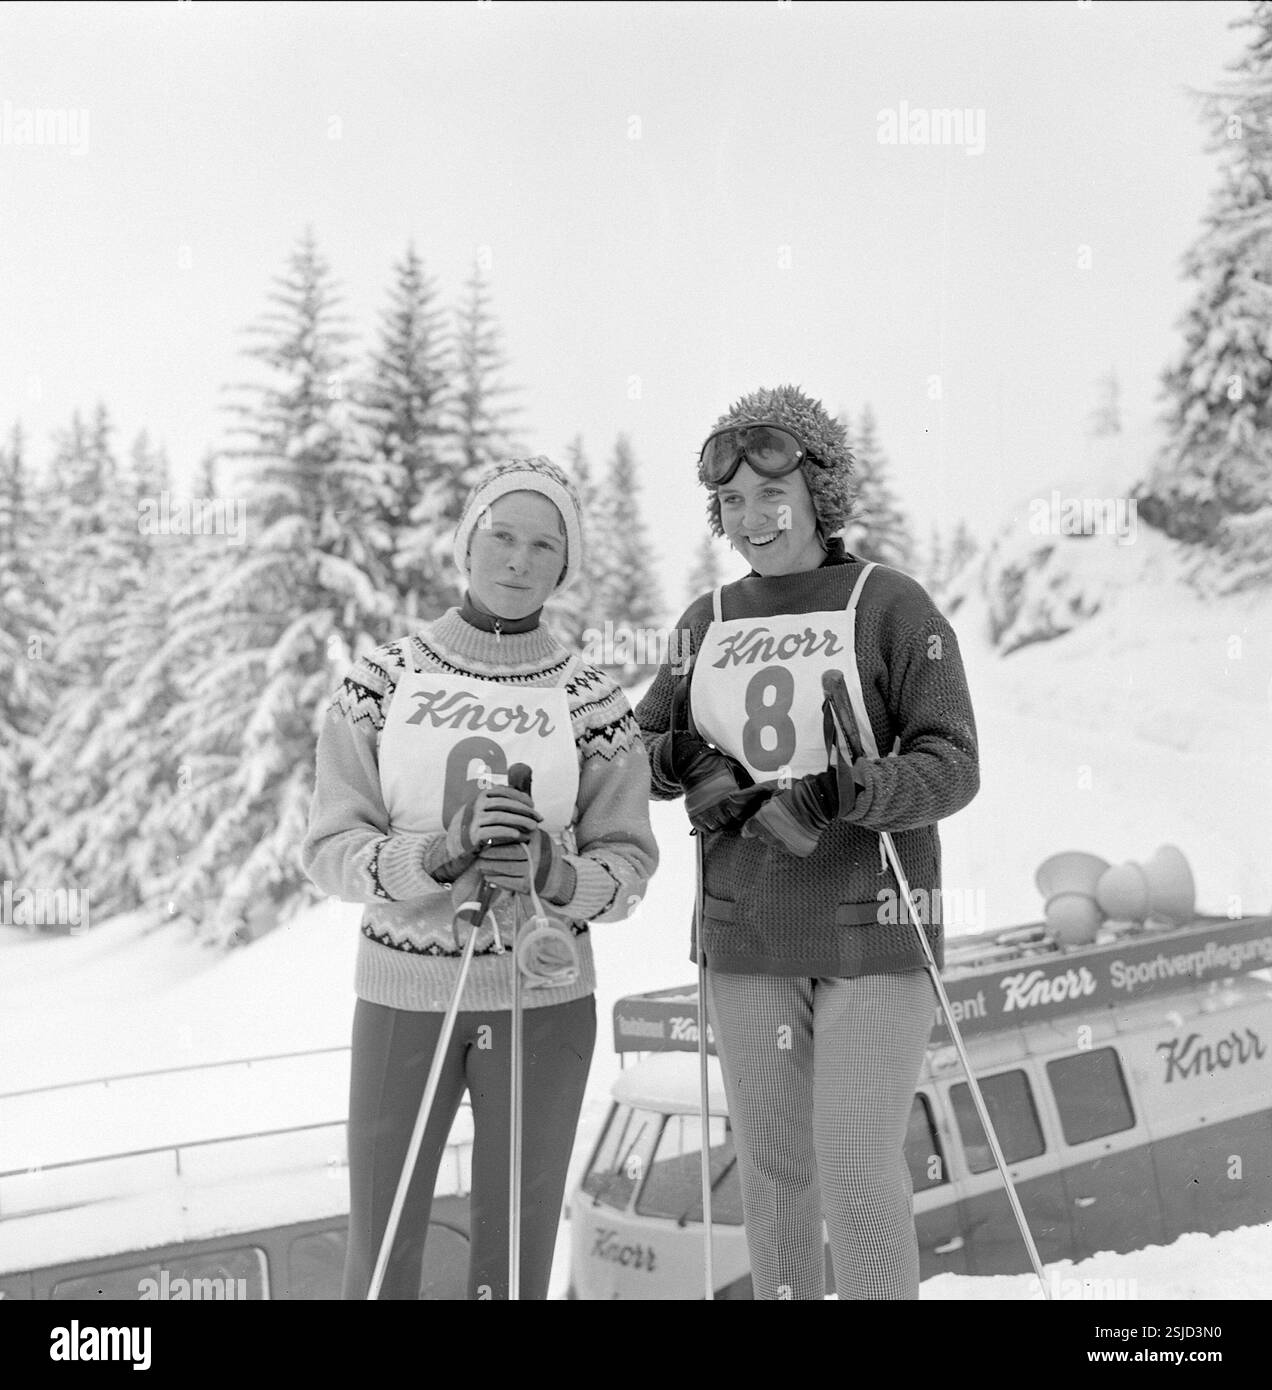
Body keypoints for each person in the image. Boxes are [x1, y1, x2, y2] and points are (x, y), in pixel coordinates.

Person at [634, 385, 980, 1300]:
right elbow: (638, 754)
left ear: (820, 494)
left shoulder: (889, 604)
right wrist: (688, 762)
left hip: (871, 926)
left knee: (859, 1170)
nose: (751, 517)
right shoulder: (705, 623)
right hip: (747, 934)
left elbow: (954, 763)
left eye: (770, 493)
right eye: (732, 500)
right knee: (777, 1178)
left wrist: (849, 788)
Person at [302, 455, 657, 1300]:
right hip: (404, 992)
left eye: (544, 546)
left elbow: (631, 866)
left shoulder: (592, 699)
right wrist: (432, 855)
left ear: (565, 566)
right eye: (501, 535)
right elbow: (328, 849)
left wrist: (556, 874)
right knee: (383, 1252)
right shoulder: (381, 678)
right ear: (467, 541)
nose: (518, 561)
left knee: (516, 1259)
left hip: (542, 998)